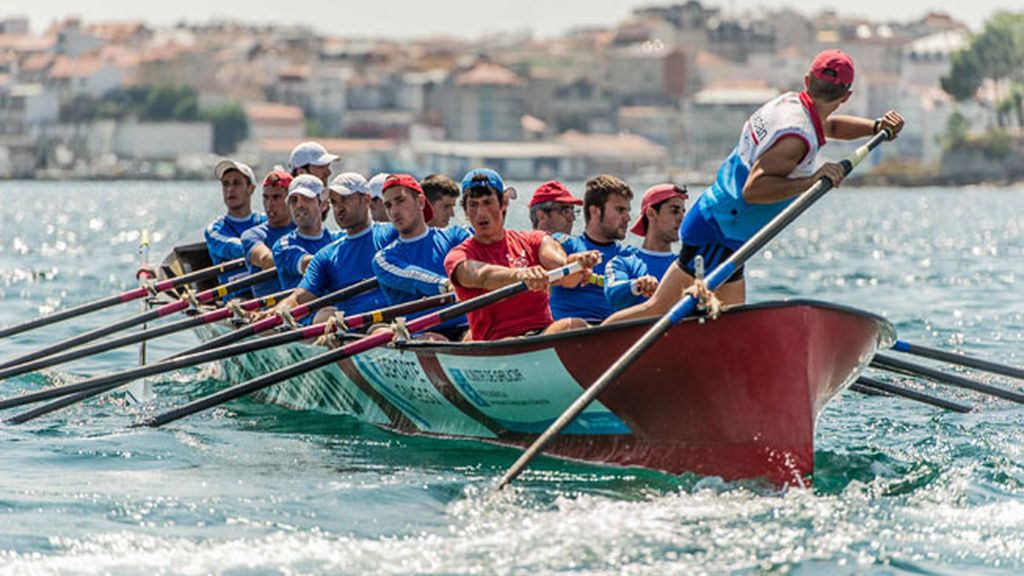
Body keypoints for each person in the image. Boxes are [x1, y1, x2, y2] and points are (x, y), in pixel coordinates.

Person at [604, 49, 905, 325]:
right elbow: (754, 189)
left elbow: (833, 127)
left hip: (730, 233)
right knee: (657, 310)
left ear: (807, 81)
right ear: (847, 95)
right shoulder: (796, 136)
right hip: (719, 230)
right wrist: (811, 180)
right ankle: (591, 348)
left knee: (730, 322)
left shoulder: (792, 104)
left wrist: (876, 127)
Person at [443, 168, 600, 341]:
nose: (481, 213)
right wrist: (520, 274)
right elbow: (482, 275)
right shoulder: (459, 256)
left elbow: (566, 275)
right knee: (511, 342)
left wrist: (576, 263)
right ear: (465, 211)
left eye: (488, 202)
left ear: (503, 203)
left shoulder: (534, 240)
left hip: (541, 334)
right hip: (496, 343)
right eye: (473, 205)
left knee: (574, 325)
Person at [266, 172, 397, 320]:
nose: (339, 208)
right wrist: (280, 309)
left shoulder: (392, 234)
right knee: (325, 315)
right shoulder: (325, 256)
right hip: (351, 328)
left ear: (366, 199)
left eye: (344, 199)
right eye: (334, 202)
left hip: (395, 322)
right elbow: (298, 298)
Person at [371, 174, 471, 340]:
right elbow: (414, 277)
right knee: (432, 340)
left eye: (400, 201)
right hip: (420, 334)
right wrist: (446, 285)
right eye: (388, 205)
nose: (394, 211)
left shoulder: (456, 236)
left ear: (420, 202)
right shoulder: (384, 259)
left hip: (466, 327)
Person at [548, 175, 635, 324]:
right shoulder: (563, 243)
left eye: (627, 211)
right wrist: (575, 262)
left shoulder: (631, 256)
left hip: (613, 332)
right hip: (568, 334)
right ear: (595, 212)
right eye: (620, 210)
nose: (627, 218)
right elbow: (547, 270)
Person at [604, 184, 687, 311]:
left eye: (683, 212)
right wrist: (638, 285)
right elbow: (613, 295)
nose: (682, 218)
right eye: (674, 211)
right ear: (651, 213)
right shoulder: (622, 263)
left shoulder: (686, 265)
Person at [205, 159, 267, 288]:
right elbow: (235, 248)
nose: (230, 189)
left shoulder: (265, 222)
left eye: (236, 183)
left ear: (251, 188)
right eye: (226, 184)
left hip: (267, 293)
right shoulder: (215, 230)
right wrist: (265, 256)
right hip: (237, 299)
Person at [271, 175, 335, 290]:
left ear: (323, 205)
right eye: (293, 201)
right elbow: (310, 265)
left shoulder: (337, 239)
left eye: (306, 198)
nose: (299, 205)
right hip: (302, 307)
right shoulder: (283, 246)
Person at [240, 169, 296, 297]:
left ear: (291, 200)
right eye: (266, 197)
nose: (269, 205)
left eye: (276, 197)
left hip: (301, 305)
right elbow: (266, 260)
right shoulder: (252, 235)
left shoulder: (305, 229)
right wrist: (302, 262)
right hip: (269, 309)